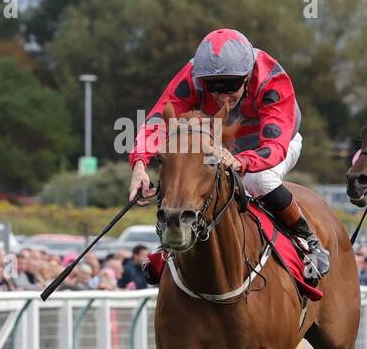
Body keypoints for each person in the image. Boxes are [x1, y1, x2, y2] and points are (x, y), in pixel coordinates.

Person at [126, 28, 329, 284]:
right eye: (213, 88)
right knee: (185, 171)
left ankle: (309, 240)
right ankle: (171, 244)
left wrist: (242, 161)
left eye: (231, 86)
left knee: (257, 181)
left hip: (272, 143)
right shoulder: (193, 76)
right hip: (219, 143)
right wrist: (140, 163)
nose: (223, 97)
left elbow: (274, 146)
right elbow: (158, 120)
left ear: (247, 75)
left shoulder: (271, 79)